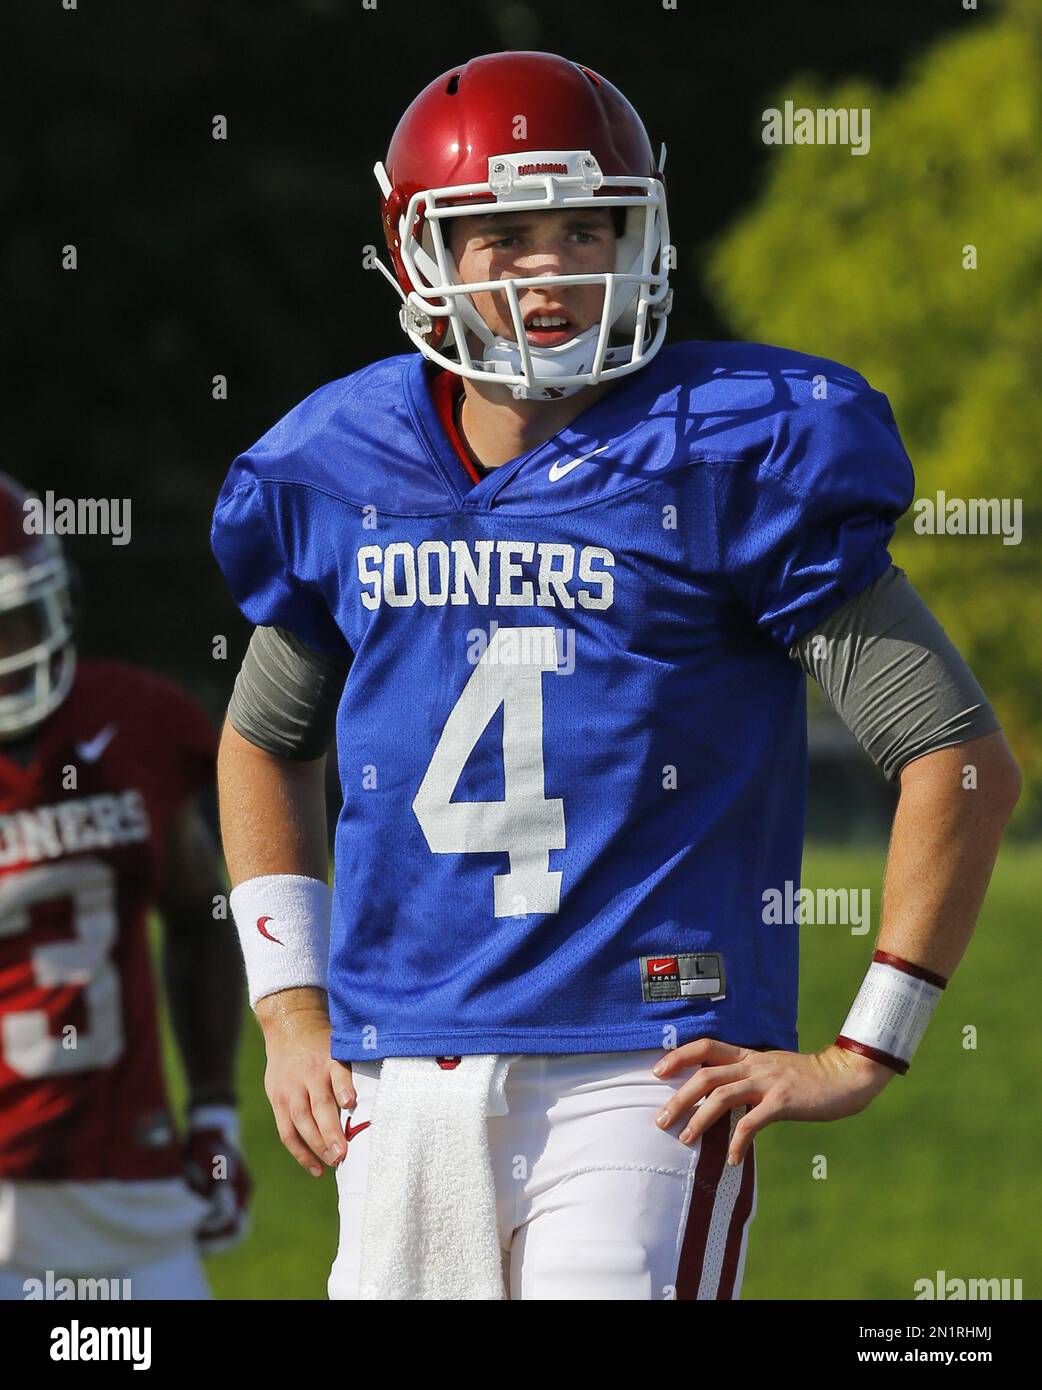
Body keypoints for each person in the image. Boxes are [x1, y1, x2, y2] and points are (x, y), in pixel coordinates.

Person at [211, 51, 1020, 1300]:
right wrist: (287, 1008)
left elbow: (955, 755)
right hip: (401, 1061)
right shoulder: (343, 463)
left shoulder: (729, 448)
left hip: (645, 1068)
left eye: (588, 227)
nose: (553, 267)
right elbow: (263, 739)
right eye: (504, 233)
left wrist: (867, 1049)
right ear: (420, 251)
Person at [0, 474, 249, 1300]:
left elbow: (199, 913)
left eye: (14, 622)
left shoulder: (134, 722)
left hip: (135, 1198)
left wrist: (213, 1106)